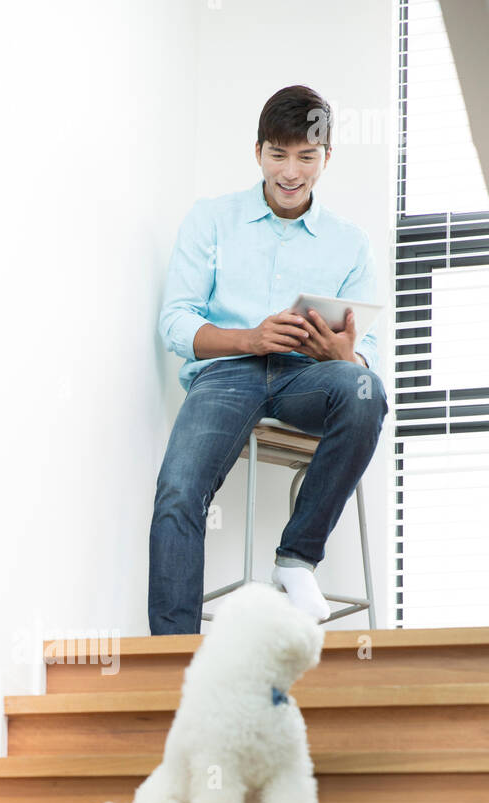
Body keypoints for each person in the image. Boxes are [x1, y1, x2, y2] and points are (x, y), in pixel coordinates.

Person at [149, 85, 388, 633]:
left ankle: (297, 559)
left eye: (306, 156)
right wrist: (250, 339)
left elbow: (366, 352)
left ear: (326, 158)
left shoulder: (350, 243)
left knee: (364, 391)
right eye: (278, 154)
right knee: (179, 490)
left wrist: (345, 355)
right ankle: (170, 655)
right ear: (258, 151)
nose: (290, 171)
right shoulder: (211, 219)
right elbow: (176, 322)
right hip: (227, 376)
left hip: (309, 377)